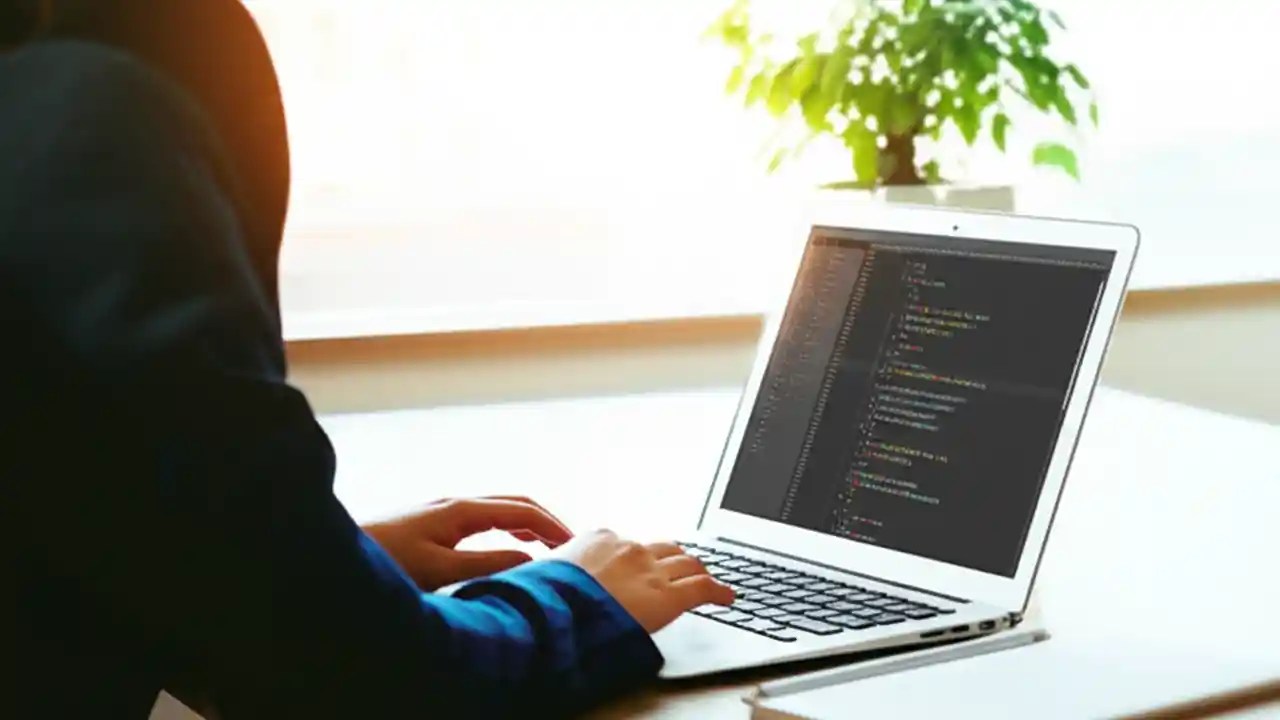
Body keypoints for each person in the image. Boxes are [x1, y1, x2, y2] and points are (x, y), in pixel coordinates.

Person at [0, 1, 734, 717]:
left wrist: (334, 560)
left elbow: (83, 522)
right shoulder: (89, 99)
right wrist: (580, 597)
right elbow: (373, 679)